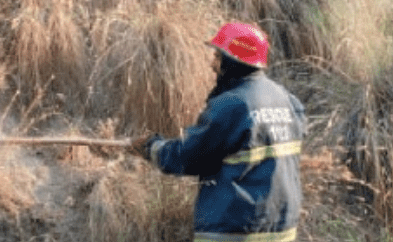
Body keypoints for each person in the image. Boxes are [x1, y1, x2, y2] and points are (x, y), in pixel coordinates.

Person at [131, 21, 306, 242]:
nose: (213, 64)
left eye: (218, 56)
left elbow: (190, 157)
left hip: (236, 228)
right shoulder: (287, 100)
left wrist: (153, 148)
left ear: (232, 61)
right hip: (282, 227)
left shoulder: (231, 106)